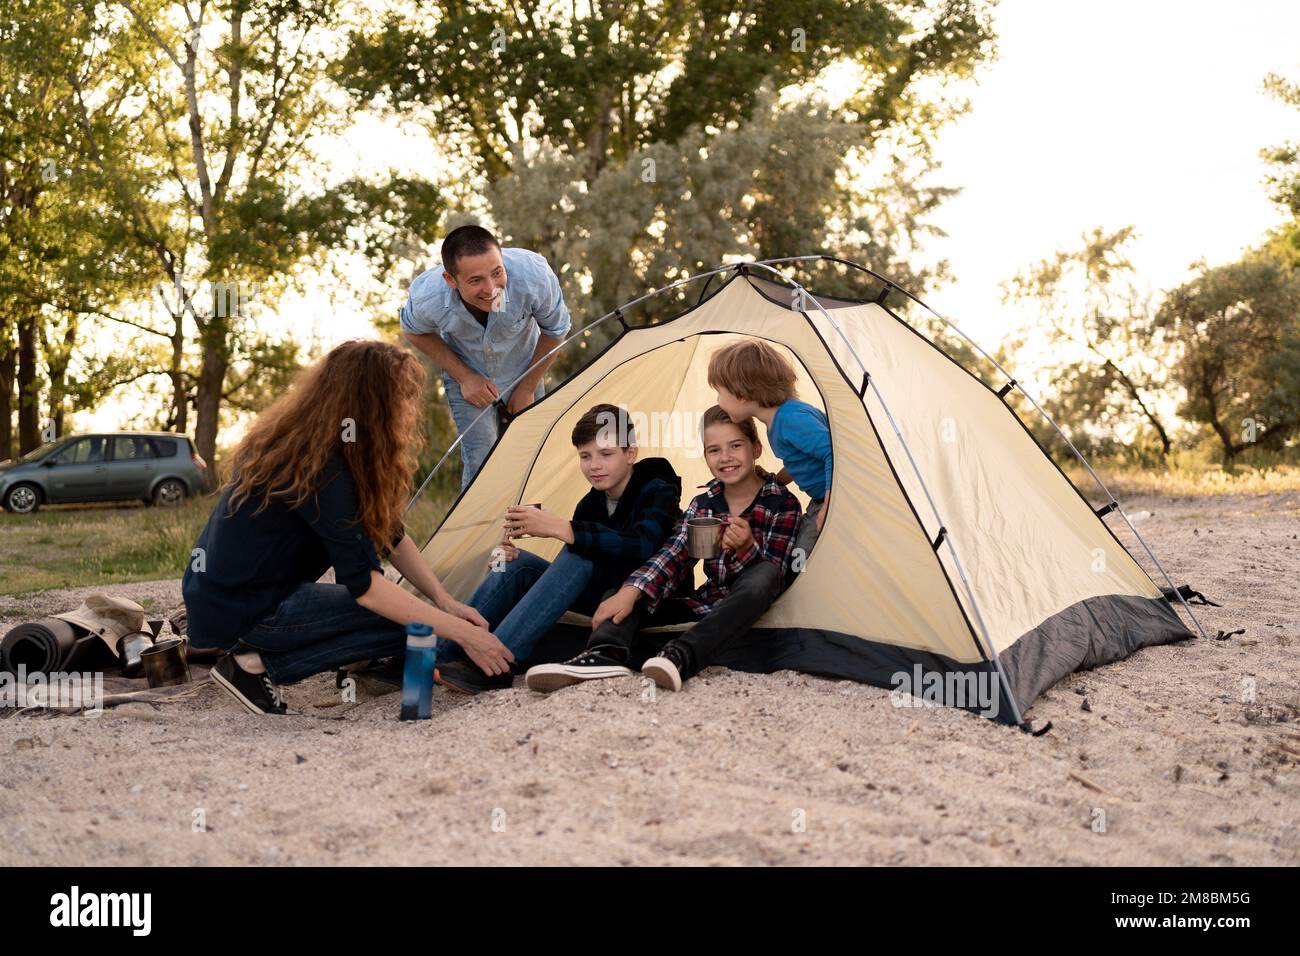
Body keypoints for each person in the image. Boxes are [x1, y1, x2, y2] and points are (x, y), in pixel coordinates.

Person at [182, 340, 513, 715]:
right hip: (247, 608)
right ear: (373, 403)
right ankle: (253, 666)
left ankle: (281, 652)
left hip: (221, 598)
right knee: (410, 625)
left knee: (421, 614)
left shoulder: (317, 443)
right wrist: (464, 633)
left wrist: (444, 600)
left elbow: (391, 533)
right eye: (401, 397)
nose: (408, 408)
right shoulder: (324, 469)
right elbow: (365, 588)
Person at [525, 406, 801, 694]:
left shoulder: (781, 504)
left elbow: (776, 579)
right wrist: (629, 592)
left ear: (755, 449)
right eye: (714, 450)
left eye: (735, 446)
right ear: (705, 456)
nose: (726, 457)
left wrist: (747, 549)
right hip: (703, 606)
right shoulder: (703, 504)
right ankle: (603, 655)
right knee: (626, 591)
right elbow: (672, 555)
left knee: (764, 573)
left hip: (751, 613)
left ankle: (679, 656)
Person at [435, 404, 682, 694]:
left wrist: (564, 529)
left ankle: (498, 661)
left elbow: (644, 545)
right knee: (518, 563)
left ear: (630, 454)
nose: (594, 465)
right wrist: (504, 558)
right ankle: (443, 652)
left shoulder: (656, 485)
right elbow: (581, 569)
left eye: (606, 454)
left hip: (644, 598)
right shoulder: (589, 504)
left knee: (578, 551)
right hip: (598, 595)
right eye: (585, 456)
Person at [400, 225, 572, 489]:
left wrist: (527, 387)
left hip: (525, 371)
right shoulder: (429, 296)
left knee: (531, 456)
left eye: (497, 273)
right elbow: (413, 331)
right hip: (468, 379)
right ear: (450, 280)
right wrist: (465, 377)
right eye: (475, 280)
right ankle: (479, 530)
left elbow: (556, 330)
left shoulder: (533, 276)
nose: (491, 289)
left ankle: (535, 527)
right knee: (481, 460)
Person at [708, 339, 833, 569]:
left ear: (741, 394)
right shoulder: (777, 420)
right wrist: (776, 480)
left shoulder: (790, 418)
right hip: (823, 499)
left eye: (719, 393)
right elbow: (802, 460)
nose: (718, 401)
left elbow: (833, 454)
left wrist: (829, 505)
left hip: (832, 499)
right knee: (796, 555)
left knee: (799, 563)